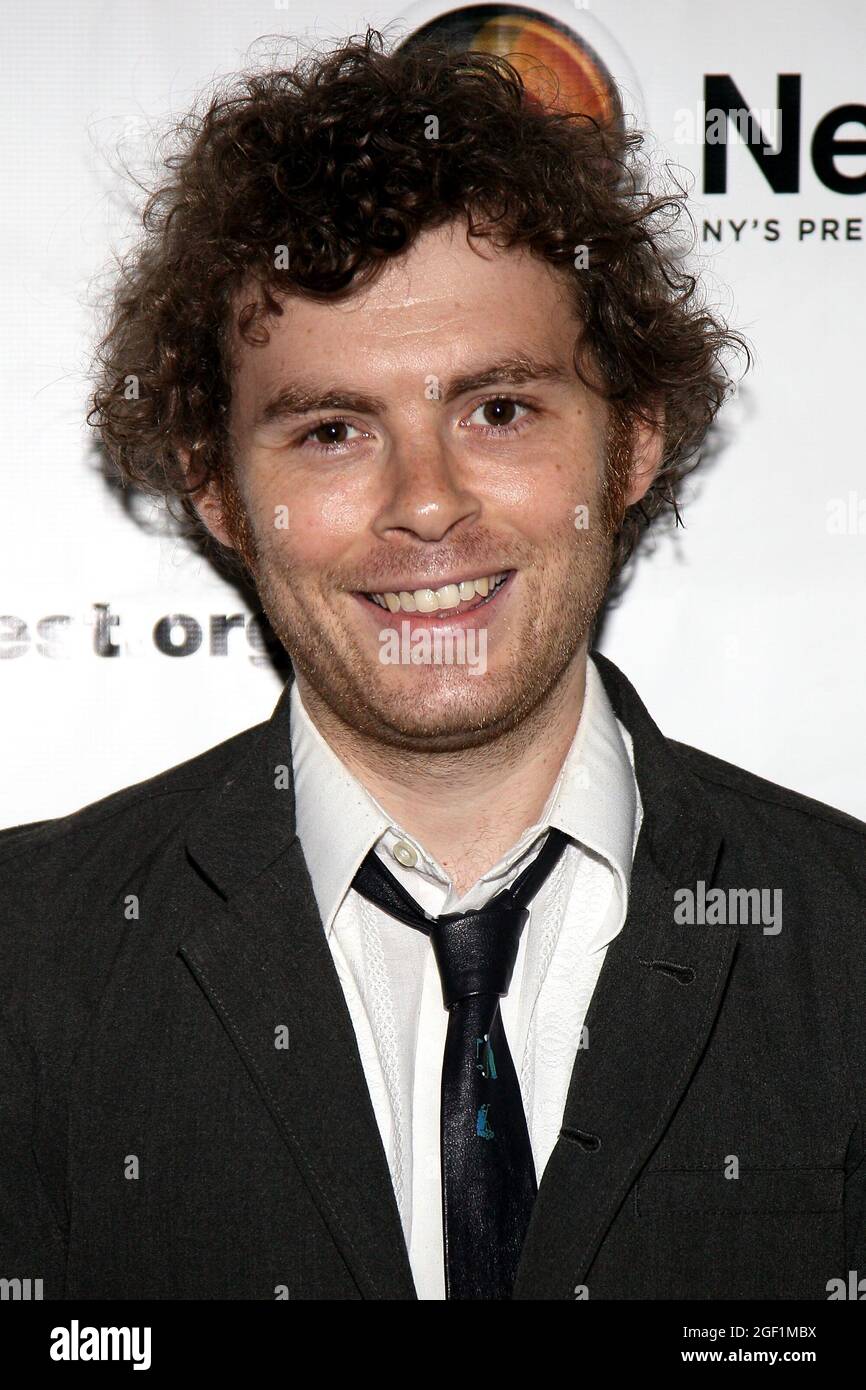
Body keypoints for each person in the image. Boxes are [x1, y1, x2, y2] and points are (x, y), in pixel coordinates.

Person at [2, 30, 864, 1302]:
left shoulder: (842, 935)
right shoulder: (26, 962)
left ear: (629, 441)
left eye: (497, 409)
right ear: (219, 494)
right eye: (333, 429)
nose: (425, 504)